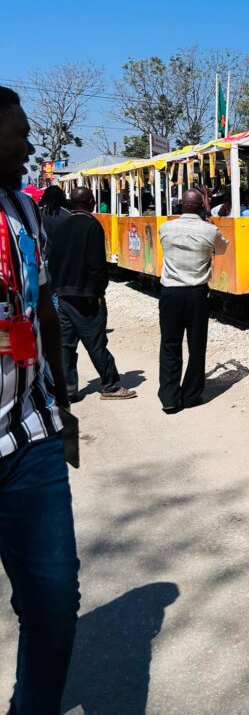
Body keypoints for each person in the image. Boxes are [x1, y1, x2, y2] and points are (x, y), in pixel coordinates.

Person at [0, 86, 80, 714]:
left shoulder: (24, 215)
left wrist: (62, 404)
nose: (29, 148)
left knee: (53, 603)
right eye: (17, 135)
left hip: (30, 434)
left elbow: (44, 309)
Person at [47, 186, 137, 402]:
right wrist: (99, 291)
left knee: (66, 345)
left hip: (63, 293)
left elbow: (52, 258)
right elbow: (96, 264)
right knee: (95, 342)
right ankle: (111, 385)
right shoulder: (92, 225)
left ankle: (67, 390)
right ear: (90, 202)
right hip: (86, 294)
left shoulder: (61, 226)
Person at [157, 188, 228, 413]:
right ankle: (191, 394)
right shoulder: (210, 230)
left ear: (180, 205)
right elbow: (223, 248)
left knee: (170, 344)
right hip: (197, 294)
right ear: (201, 208)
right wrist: (208, 217)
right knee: (196, 345)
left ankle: (169, 397)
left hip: (170, 293)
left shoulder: (165, 228)